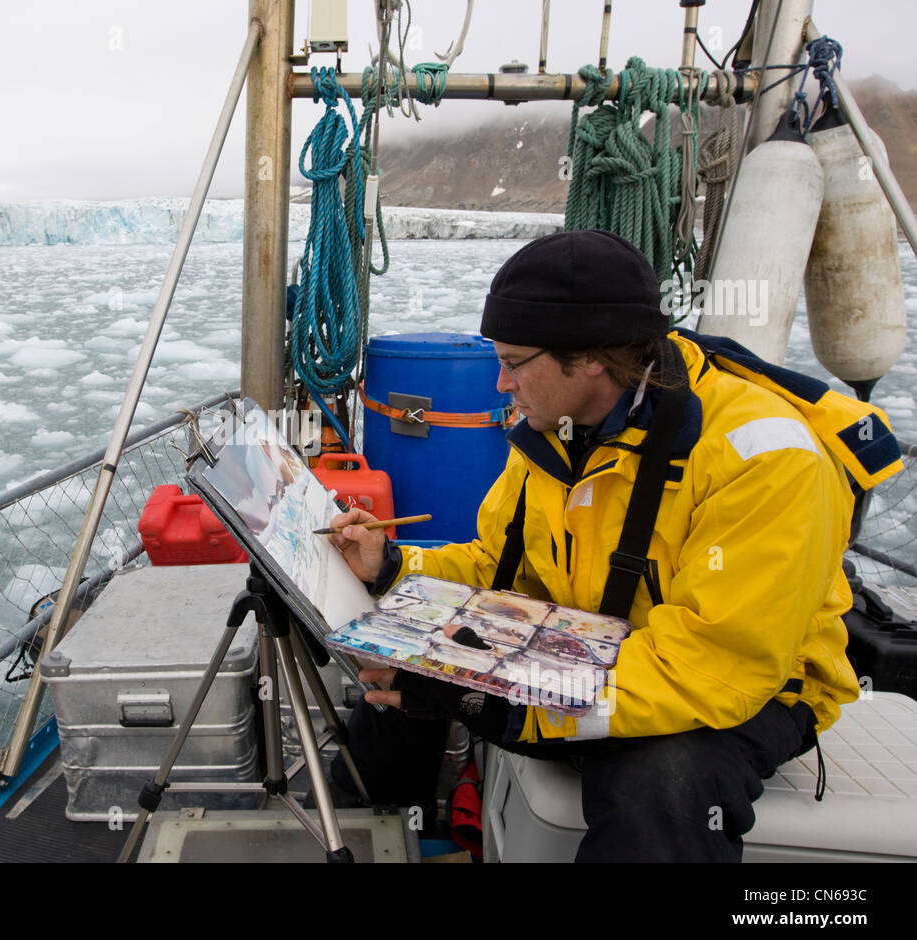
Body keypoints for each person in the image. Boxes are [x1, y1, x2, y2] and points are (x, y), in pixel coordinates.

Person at [326, 229, 902, 862]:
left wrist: (512, 704)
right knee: (403, 673)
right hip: (589, 650)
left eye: (514, 362)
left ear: (592, 357)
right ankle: (380, 837)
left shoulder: (765, 460)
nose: (498, 385)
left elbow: (712, 670)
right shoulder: (556, 431)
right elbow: (499, 569)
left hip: (743, 690)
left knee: (658, 786)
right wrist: (391, 567)